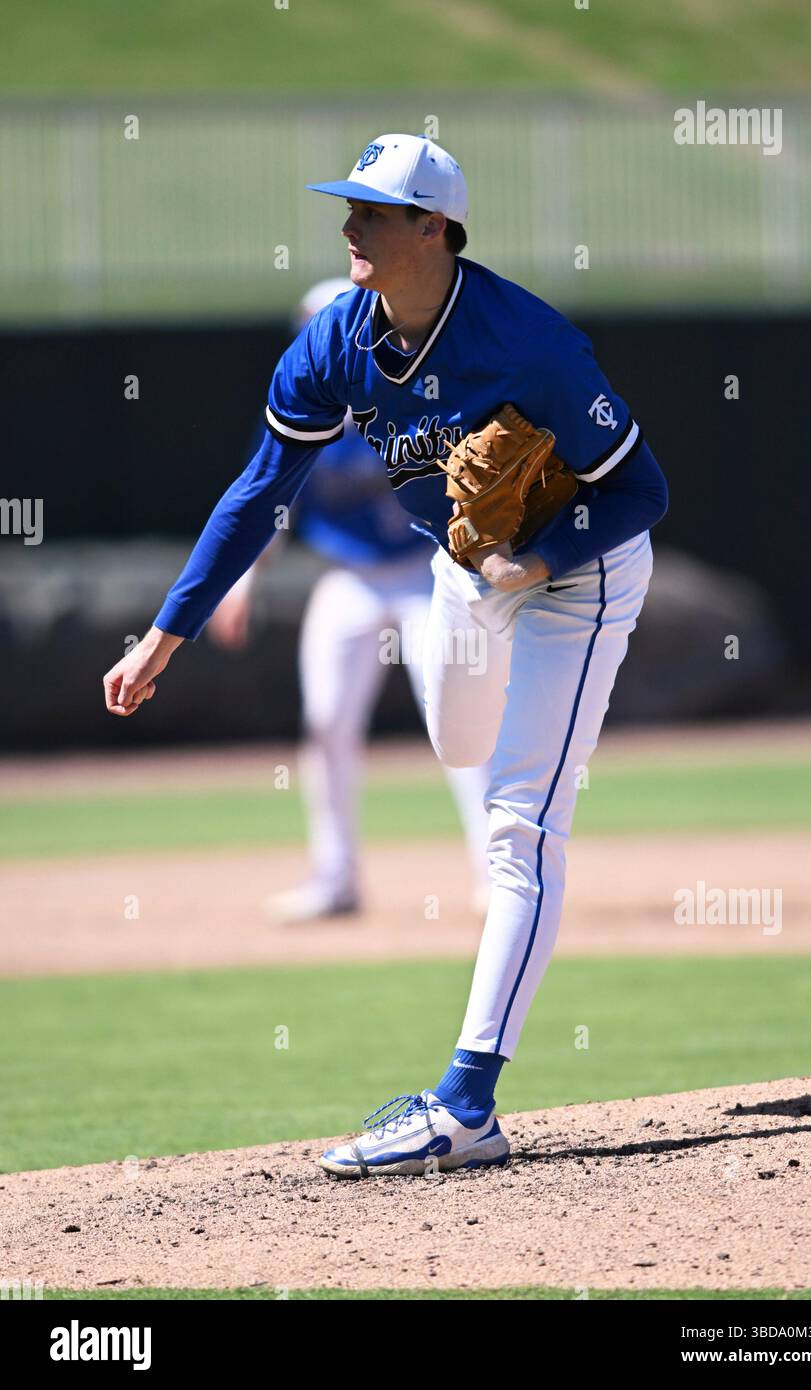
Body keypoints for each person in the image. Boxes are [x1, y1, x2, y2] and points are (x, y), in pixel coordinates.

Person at [103, 133, 668, 1178]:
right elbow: (258, 493)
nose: (348, 224)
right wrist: (163, 635)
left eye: (372, 209)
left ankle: (467, 1104)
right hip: (458, 568)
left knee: (518, 825)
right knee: (458, 747)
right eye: (348, 205)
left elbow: (641, 490)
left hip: (578, 578)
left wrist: (539, 559)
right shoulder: (332, 344)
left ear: (433, 227)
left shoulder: (528, 343)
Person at [209, 278, 492, 923]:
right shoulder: (298, 406)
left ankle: (495, 874)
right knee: (327, 722)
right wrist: (244, 580)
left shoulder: (420, 391)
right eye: (314, 329)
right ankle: (334, 880)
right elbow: (269, 503)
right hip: (350, 578)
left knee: (457, 721)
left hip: (428, 571)